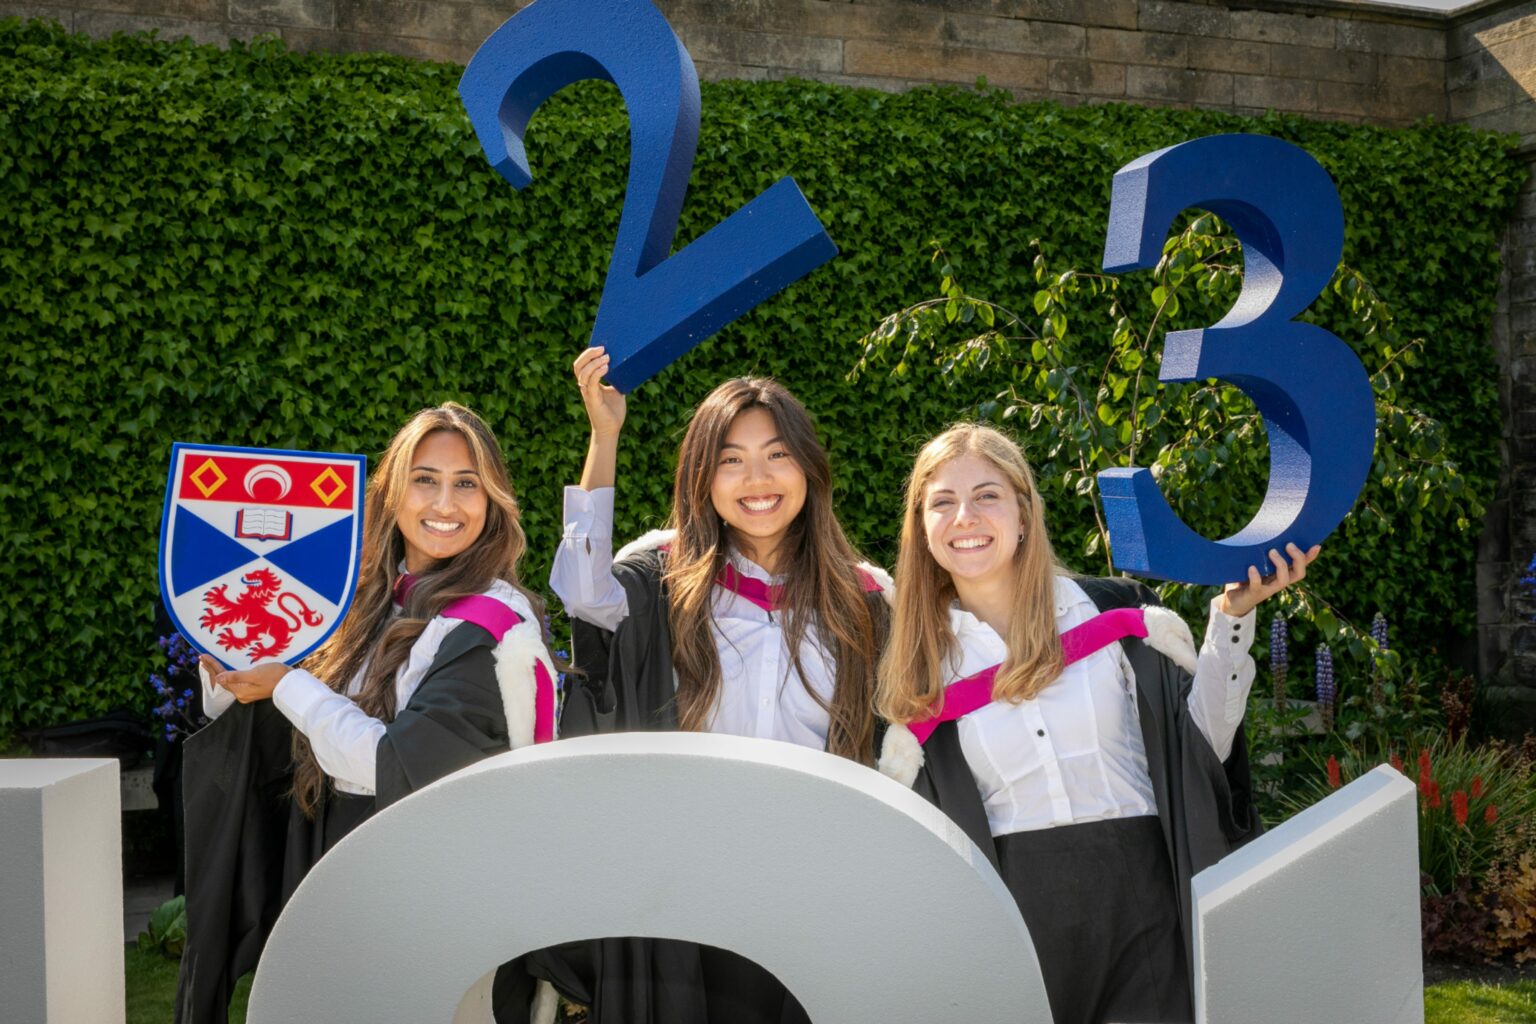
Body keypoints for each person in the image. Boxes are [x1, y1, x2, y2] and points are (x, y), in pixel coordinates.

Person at [874, 423, 1315, 1024]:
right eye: (942, 503)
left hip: (1142, 895)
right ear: (922, 530)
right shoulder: (920, 669)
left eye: (987, 495)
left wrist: (1232, 618)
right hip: (1015, 909)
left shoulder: (1110, 612)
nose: (965, 517)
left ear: (1024, 513)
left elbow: (1201, 745)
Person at [533, 346, 891, 1024]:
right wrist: (603, 435)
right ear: (704, 478)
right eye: (731, 459)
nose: (757, 478)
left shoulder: (863, 602)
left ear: (810, 470)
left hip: (809, 880)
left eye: (777, 454)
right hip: (686, 878)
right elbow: (581, 590)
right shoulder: (667, 579)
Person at [174, 403, 560, 1024]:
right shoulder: (364, 603)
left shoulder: (494, 624)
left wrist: (288, 687)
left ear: (493, 500)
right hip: (341, 869)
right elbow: (294, 733)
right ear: (393, 494)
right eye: (424, 479)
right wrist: (234, 674)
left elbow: (398, 766)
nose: (445, 503)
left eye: (467, 483)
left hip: (436, 891)